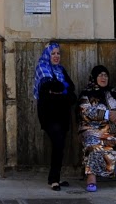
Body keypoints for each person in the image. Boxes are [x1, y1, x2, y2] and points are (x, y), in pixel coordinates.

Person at [34, 42, 77, 191]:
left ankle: (55, 178)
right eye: (53, 53)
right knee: (57, 143)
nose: (56, 56)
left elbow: (71, 89)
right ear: (48, 55)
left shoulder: (61, 70)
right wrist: (62, 92)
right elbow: (47, 91)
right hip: (49, 115)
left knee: (60, 146)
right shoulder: (42, 68)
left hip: (62, 114)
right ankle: (53, 179)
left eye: (58, 53)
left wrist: (59, 92)